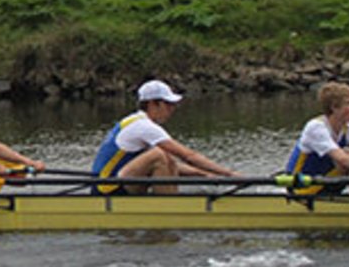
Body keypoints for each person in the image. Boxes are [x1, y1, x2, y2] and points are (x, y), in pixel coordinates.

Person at [89, 80, 242, 193]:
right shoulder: (144, 126)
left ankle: (167, 207)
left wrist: (205, 175)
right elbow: (189, 155)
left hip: (112, 182)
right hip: (107, 189)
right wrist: (228, 174)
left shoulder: (134, 121)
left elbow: (173, 164)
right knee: (159, 155)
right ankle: (169, 208)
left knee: (165, 157)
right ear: (153, 104)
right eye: (168, 104)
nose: (173, 109)